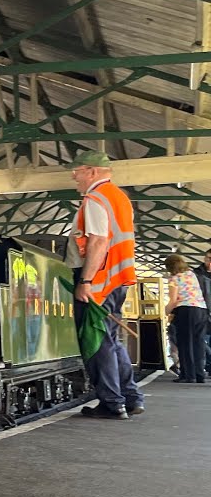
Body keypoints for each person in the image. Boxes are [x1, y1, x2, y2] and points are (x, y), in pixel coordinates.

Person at [67, 151, 143, 419]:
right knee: (111, 339)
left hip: (99, 279)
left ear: (92, 171)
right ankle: (131, 398)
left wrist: (86, 281)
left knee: (97, 340)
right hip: (117, 279)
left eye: (77, 171)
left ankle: (112, 403)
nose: (73, 176)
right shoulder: (120, 198)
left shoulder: (96, 198)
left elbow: (98, 241)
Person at [164, 254, 208, 383]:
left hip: (185, 311)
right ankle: (200, 374)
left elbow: (173, 301)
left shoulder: (173, 279)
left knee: (185, 343)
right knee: (198, 343)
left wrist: (165, 312)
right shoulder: (191, 274)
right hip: (201, 309)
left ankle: (188, 375)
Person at [194, 249, 211, 374]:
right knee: (200, 340)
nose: (208, 262)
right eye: (207, 258)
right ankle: (203, 367)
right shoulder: (196, 273)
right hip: (201, 311)